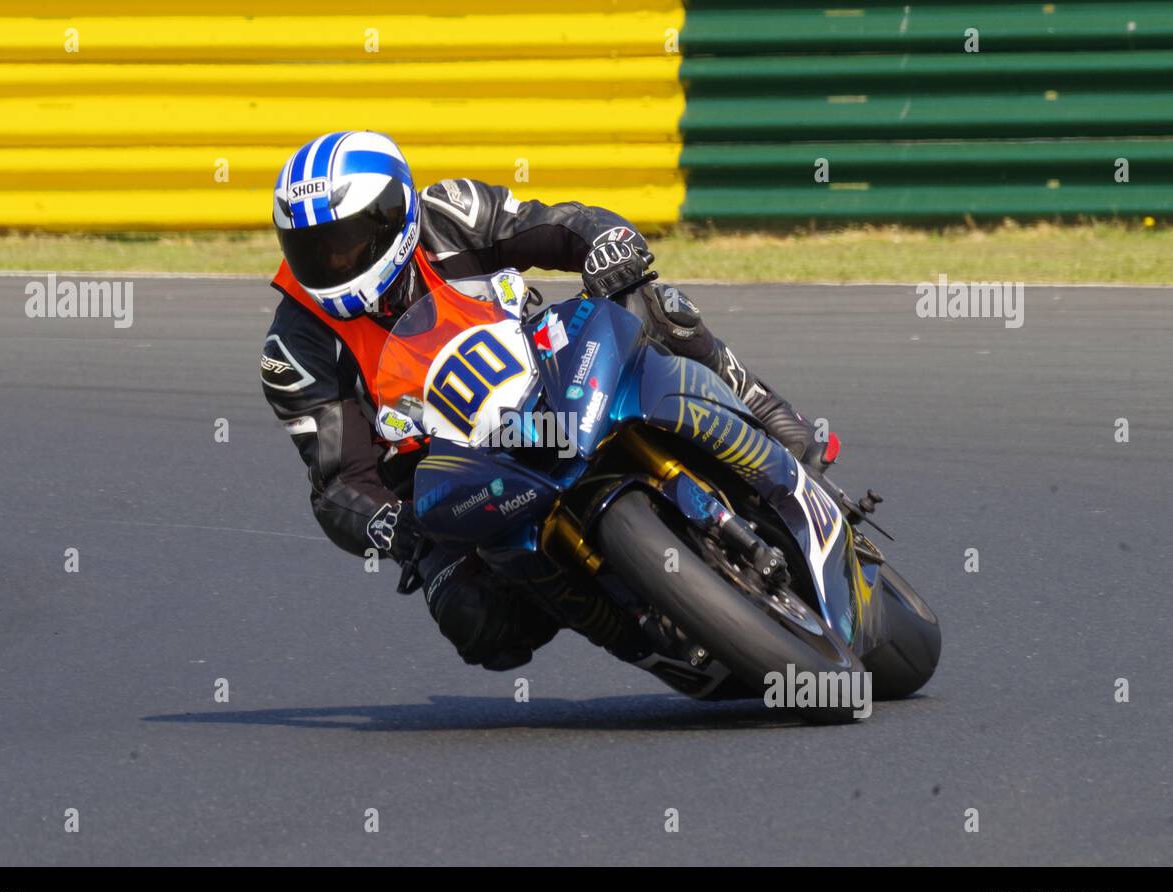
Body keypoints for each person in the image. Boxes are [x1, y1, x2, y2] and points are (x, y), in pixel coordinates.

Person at [262, 130, 834, 678]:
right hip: (450, 473)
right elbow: (340, 481)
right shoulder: (295, 344)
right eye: (313, 250)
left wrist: (604, 243)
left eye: (345, 242)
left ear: (394, 218)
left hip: (545, 373)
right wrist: (390, 526)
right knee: (478, 622)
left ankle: (765, 411)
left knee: (648, 301)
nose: (333, 263)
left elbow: (558, 225)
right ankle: (634, 618)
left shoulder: (450, 213)